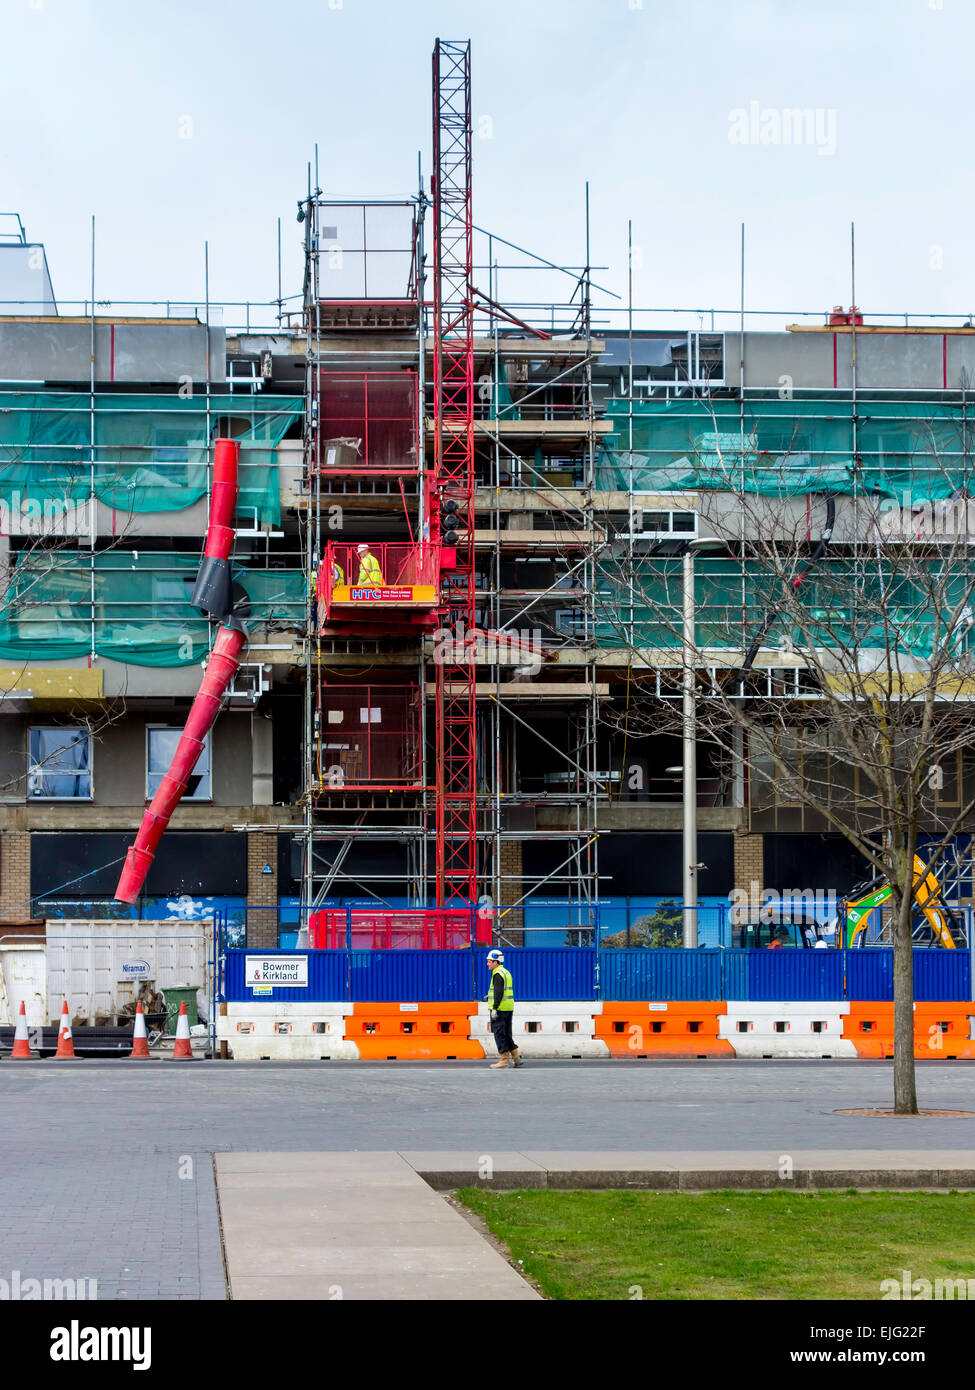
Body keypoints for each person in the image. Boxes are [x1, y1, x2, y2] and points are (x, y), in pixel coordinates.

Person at [485, 948, 522, 1068]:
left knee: (499, 1034)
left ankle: (504, 1060)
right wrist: (489, 996)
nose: (487, 964)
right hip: (508, 1008)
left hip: (499, 1010)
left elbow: (499, 992)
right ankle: (516, 1058)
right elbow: (501, 991)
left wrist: (494, 1008)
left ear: (496, 962)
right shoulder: (506, 972)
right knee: (507, 1034)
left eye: (489, 961)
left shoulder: (497, 974)